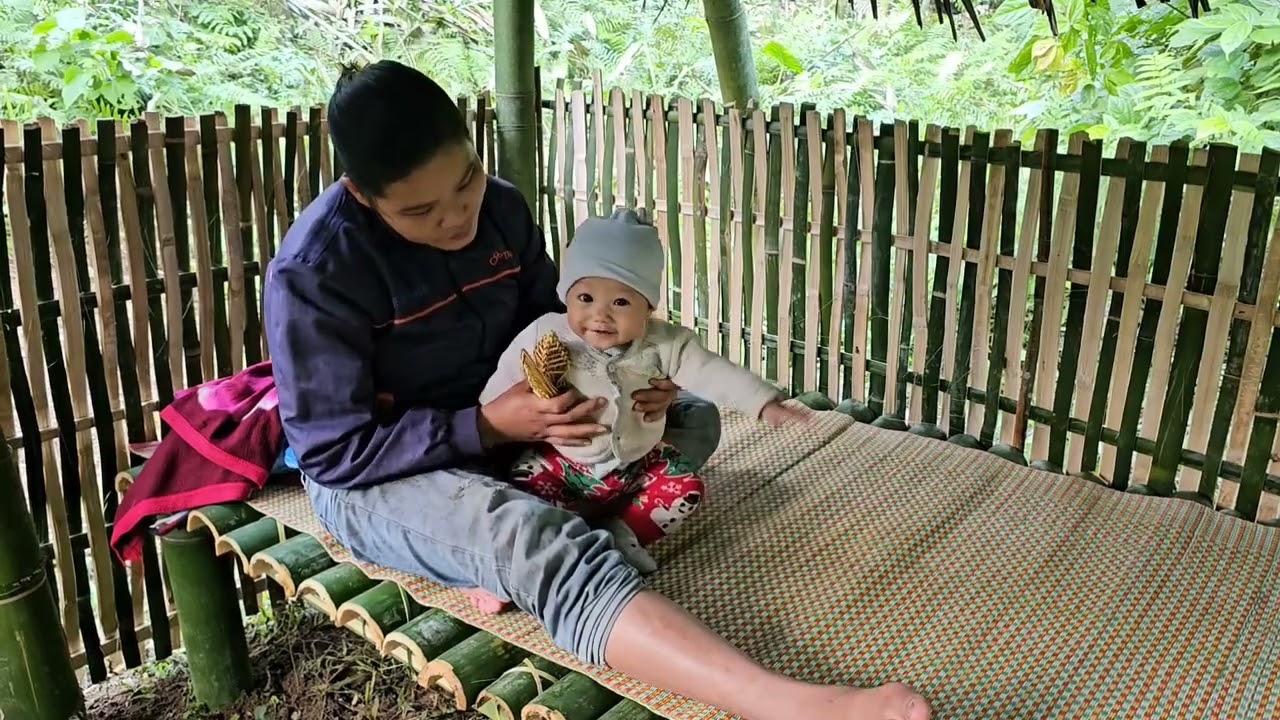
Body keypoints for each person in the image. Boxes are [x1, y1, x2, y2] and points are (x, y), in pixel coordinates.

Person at [263, 60, 932, 720]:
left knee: (693, 418)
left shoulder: (500, 208)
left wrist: (644, 381)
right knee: (529, 539)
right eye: (420, 211)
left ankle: (560, 525)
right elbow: (333, 454)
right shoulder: (316, 272)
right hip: (390, 470)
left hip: (524, 426)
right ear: (361, 195)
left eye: (466, 181)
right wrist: (487, 426)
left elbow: (560, 329)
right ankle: (791, 706)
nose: (458, 216)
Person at [480, 208, 809, 572]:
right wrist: (486, 427)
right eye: (585, 298)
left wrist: (763, 403)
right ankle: (566, 533)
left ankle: (622, 534)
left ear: (648, 308)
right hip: (561, 461)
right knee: (522, 481)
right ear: (566, 296)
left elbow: (712, 370)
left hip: (635, 462)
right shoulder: (547, 334)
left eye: (620, 302)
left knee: (686, 487)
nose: (600, 315)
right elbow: (504, 383)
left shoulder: (665, 344)